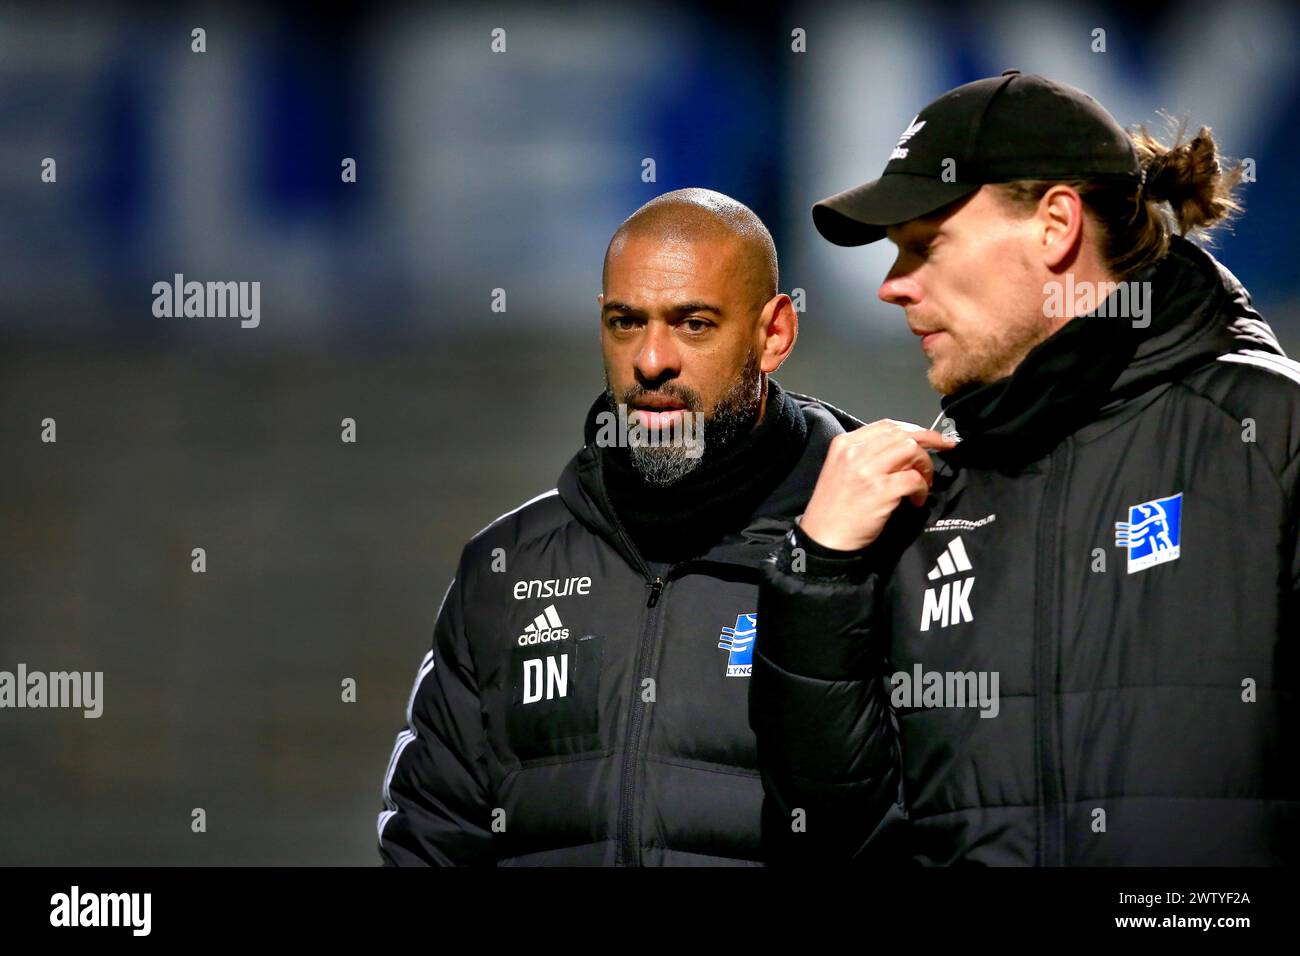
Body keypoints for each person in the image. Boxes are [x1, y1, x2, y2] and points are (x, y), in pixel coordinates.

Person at [751, 71, 1299, 865]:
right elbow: (836, 838)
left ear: (1054, 225)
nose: (889, 286)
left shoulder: (1272, 435)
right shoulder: (916, 498)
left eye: (924, 245)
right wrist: (817, 580)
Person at [378, 187, 861, 865]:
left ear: (773, 333)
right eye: (626, 322)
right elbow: (430, 842)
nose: (651, 360)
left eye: (693, 323)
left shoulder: (865, 552)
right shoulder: (506, 567)